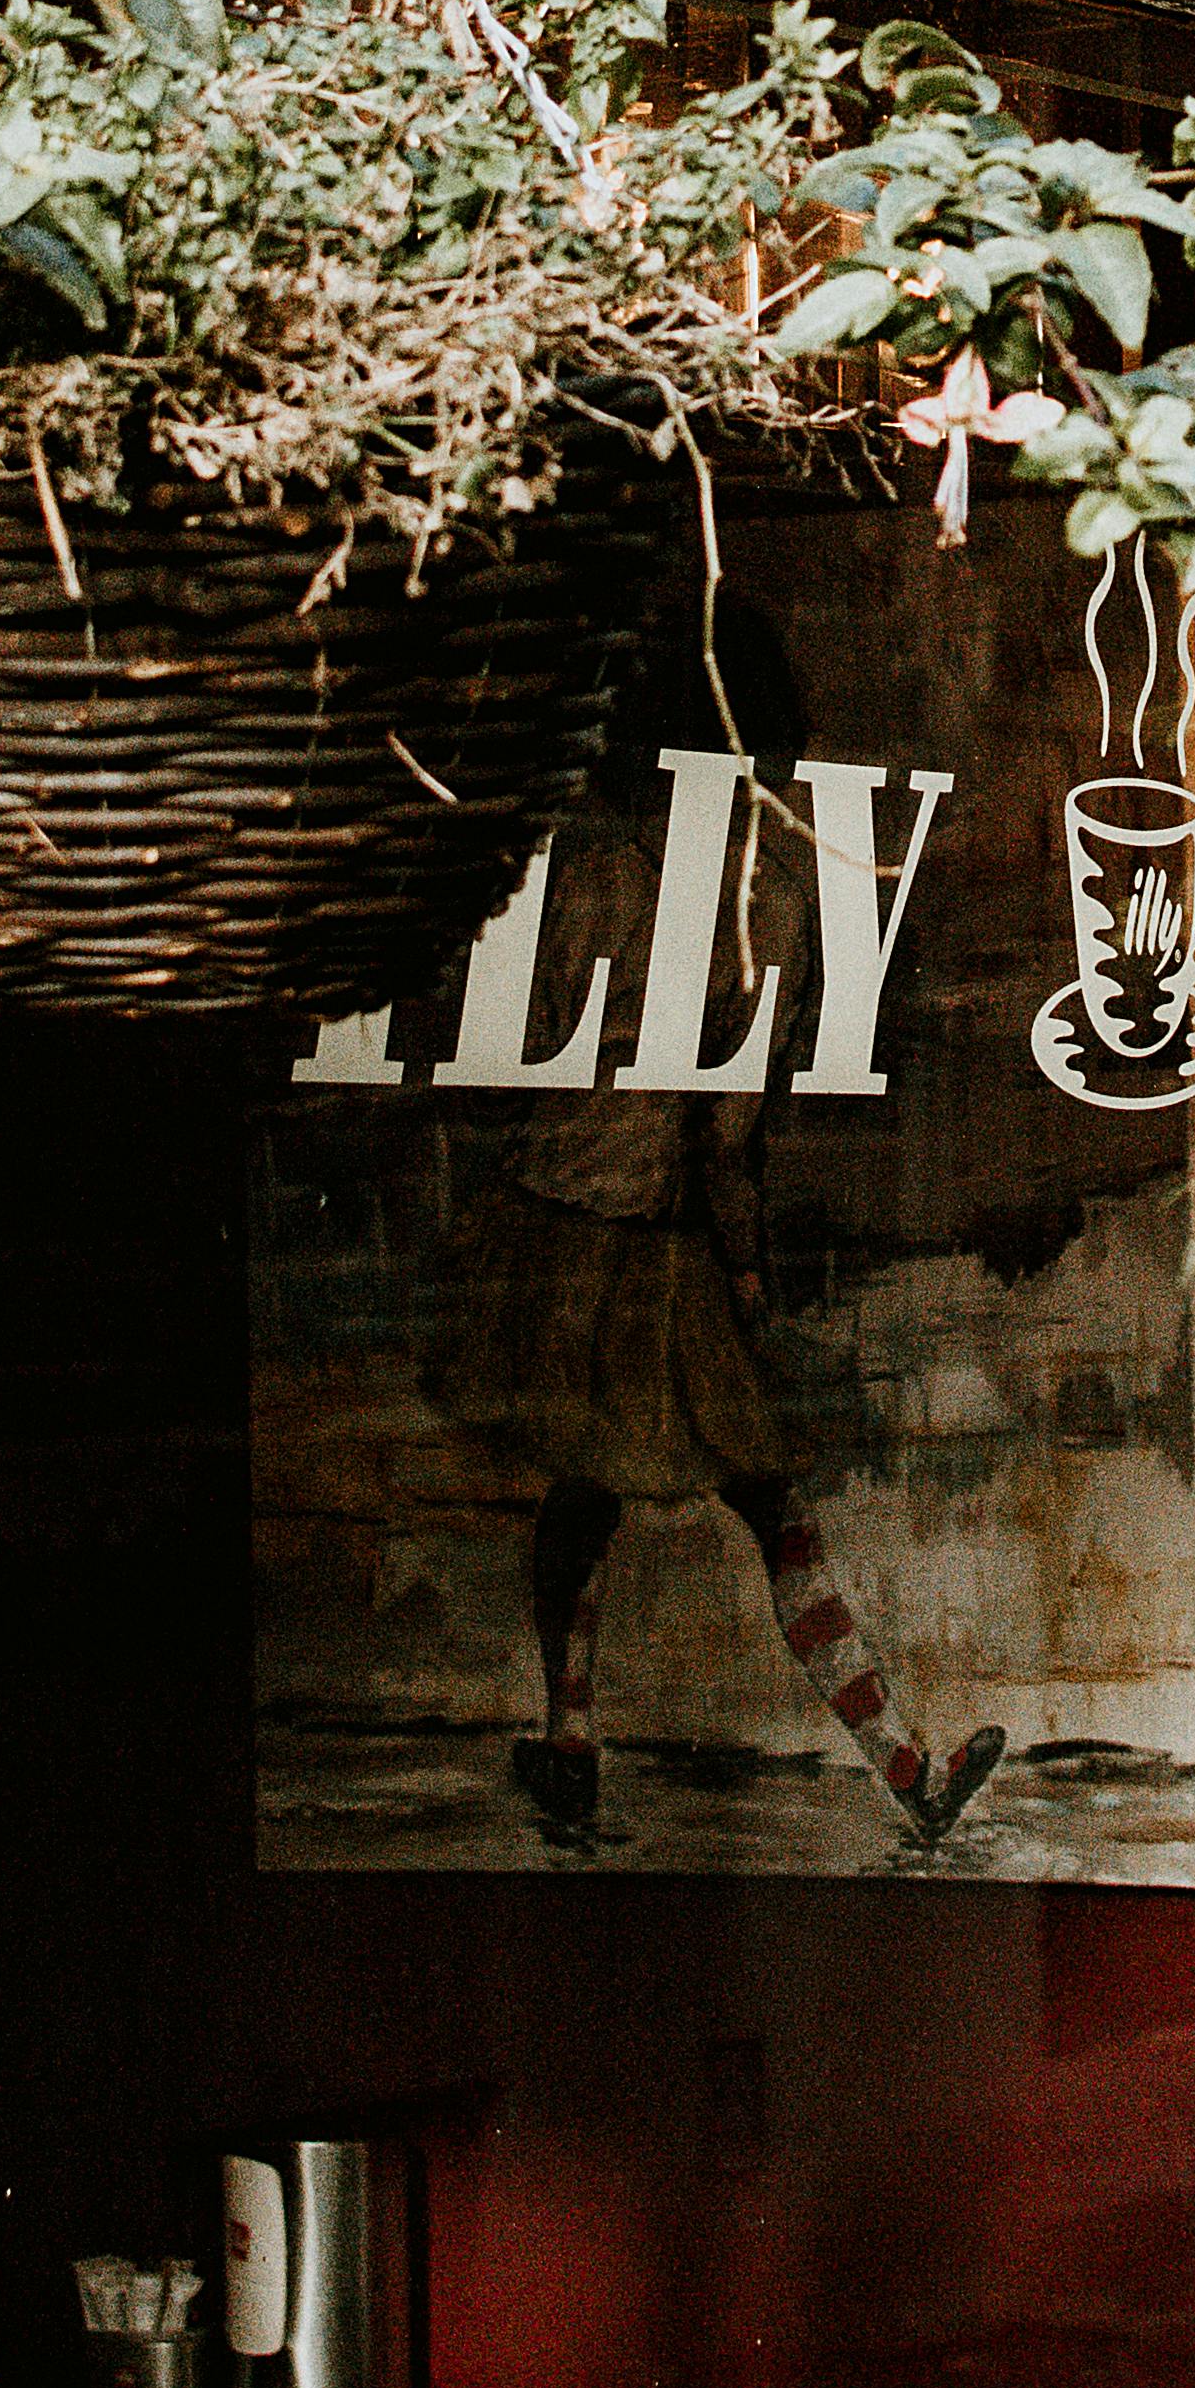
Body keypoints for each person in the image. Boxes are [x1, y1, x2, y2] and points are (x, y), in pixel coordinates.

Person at [430, 606, 1006, 1864]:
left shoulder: (583, 864)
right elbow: (731, 1113)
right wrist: (741, 1264)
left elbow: (510, 1055)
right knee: (764, 1501)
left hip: (558, 1218)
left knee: (593, 1493)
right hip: (663, 1238)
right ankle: (900, 1768)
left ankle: (576, 1747)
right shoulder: (772, 893)